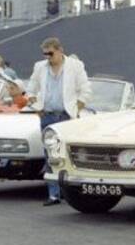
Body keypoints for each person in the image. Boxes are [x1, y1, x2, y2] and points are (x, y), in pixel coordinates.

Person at [27, 38, 92, 205]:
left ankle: (72, 192)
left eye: (51, 53)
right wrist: (37, 108)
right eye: (45, 54)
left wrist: (76, 109)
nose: (48, 57)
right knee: (50, 155)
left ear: (60, 50)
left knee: (69, 154)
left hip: (66, 116)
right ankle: (53, 195)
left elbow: (86, 90)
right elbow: (30, 89)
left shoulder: (75, 66)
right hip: (47, 116)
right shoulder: (39, 67)